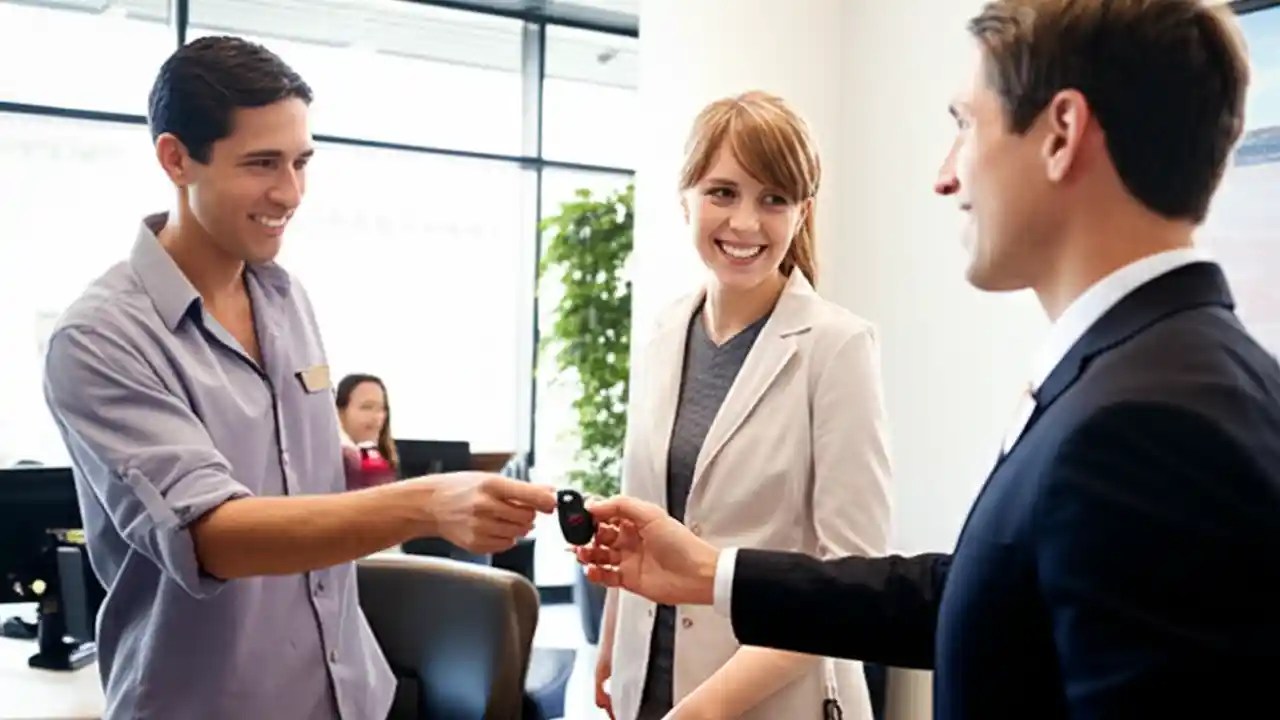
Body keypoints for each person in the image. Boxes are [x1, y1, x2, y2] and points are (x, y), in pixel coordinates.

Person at [576, 1, 1280, 718]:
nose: (946, 177)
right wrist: (711, 571)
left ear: (1061, 134)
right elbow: (966, 592)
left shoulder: (1150, 422)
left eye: (964, 126)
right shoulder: (1143, 377)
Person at [41, 36, 555, 720]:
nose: (290, 193)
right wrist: (427, 502)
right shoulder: (100, 337)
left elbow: (305, 480)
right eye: (261, 164)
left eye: (300, 162)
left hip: (348, 697)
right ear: (175, 159)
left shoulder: (285, 299)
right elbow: (212, 536)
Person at [597, 91, 893, 720]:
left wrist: (706, 709)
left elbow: (851, 578)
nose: (745, 224)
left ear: (802, 212)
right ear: (687, 197)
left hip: (768, 699)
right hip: (646, 683)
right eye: (723, 192)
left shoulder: (836, 347)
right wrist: (610, 647)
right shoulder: (662, 332)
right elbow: (641, 509)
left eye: (773, 199)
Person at [336, 373, 399, 489]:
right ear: (340, 412)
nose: (377, 417)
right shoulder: (333, 462)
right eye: (367, 407)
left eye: (382, 408)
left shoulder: (378, 459)